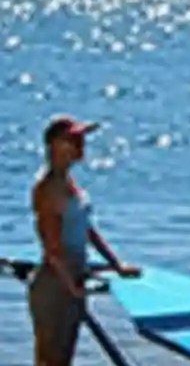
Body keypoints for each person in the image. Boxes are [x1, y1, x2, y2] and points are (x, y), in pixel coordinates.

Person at [29, 115, 140, 366]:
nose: (81, 145)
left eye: (82, 139)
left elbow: (86, 229)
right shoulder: (48, 188)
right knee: (50, 359)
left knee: (64, 357)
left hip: (74, 276)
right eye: (73, 139)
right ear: (55, 145)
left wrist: (116, 263)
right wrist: (72, 287)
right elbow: (52, 248)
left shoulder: (68, 181)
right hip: (55, 284)